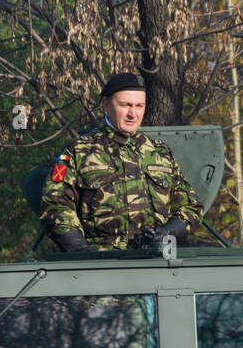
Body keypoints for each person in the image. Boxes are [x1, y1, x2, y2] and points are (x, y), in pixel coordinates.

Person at [40, 72, 204, 252]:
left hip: (155, 262)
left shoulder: (160, 153)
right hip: (101, 266)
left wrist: (166, 233)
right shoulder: (79, 151)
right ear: (106, 105)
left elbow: (191, 207)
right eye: (125, 105)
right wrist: (81, 251)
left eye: (139, 106)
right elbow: (55, 205)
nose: (133, 114)